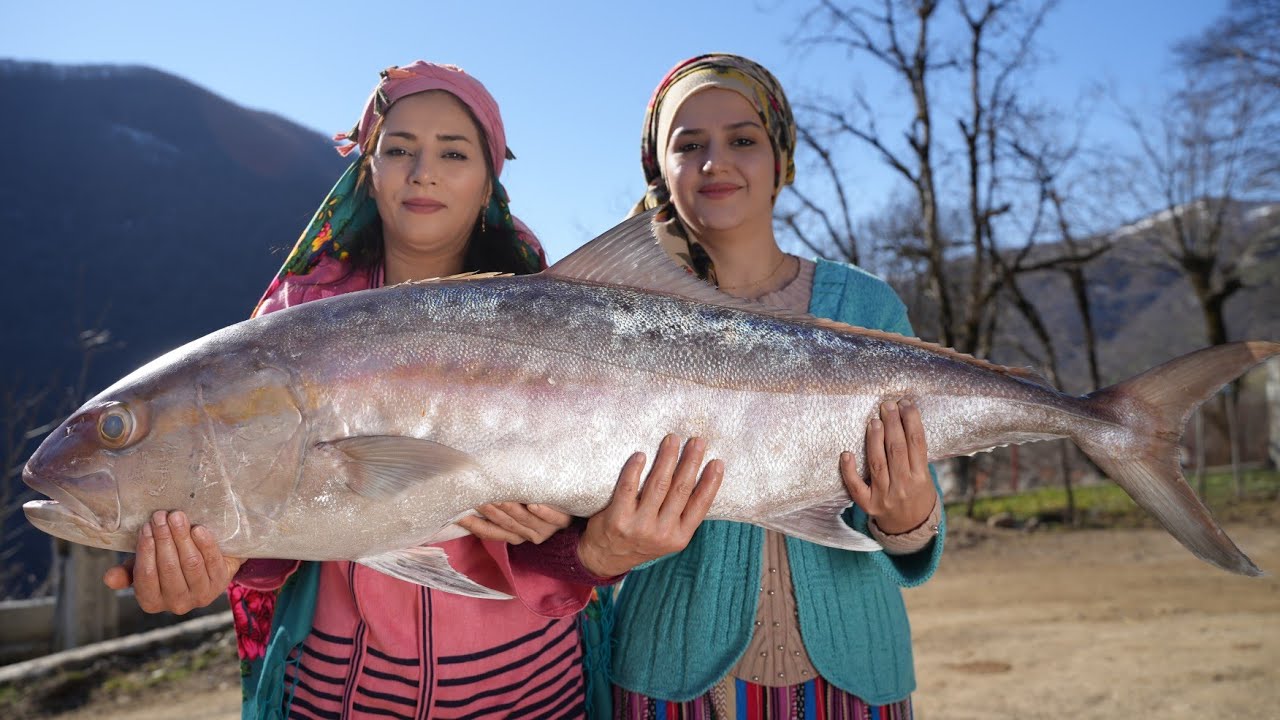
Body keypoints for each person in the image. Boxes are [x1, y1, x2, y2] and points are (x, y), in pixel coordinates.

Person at [101, 60, 725, 719]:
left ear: (490, 182)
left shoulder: (570, 321)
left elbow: (582, 548)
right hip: (336, 697)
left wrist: (580, 541)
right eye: (398, 149)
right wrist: (218, 559)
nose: (422, 170)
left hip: (532, 693)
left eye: (453, 152)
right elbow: (273, 521)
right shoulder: (284, 331)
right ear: (367, 171)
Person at [601, 54, 945, 718]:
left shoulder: (866, 308)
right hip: (669, 680)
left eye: (742, 139)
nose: (714, 162)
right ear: (658, 168)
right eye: (688, 144)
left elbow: (913, 504)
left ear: (780, 157)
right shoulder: (616, 318)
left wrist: (909, 520)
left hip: (857, 678)